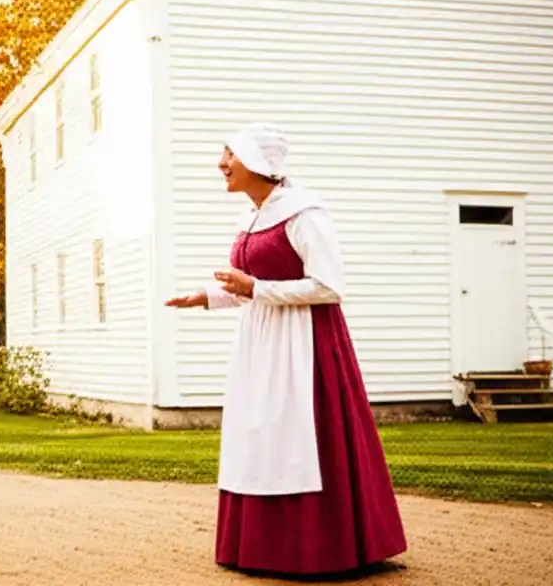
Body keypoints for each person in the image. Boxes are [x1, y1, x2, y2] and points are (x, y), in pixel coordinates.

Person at [165, 123, 406, 577]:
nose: (221, 163)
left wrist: (257, 288)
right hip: (260, 342)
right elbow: (246, 289)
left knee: (298, 434)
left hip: (305, 343)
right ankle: (262, 547)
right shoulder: (252, 217)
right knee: (259, 433)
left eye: (229, 154)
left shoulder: (304, 215)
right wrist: (206, 296)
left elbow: (329, 286)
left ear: (256, 162)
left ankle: (323, 548)